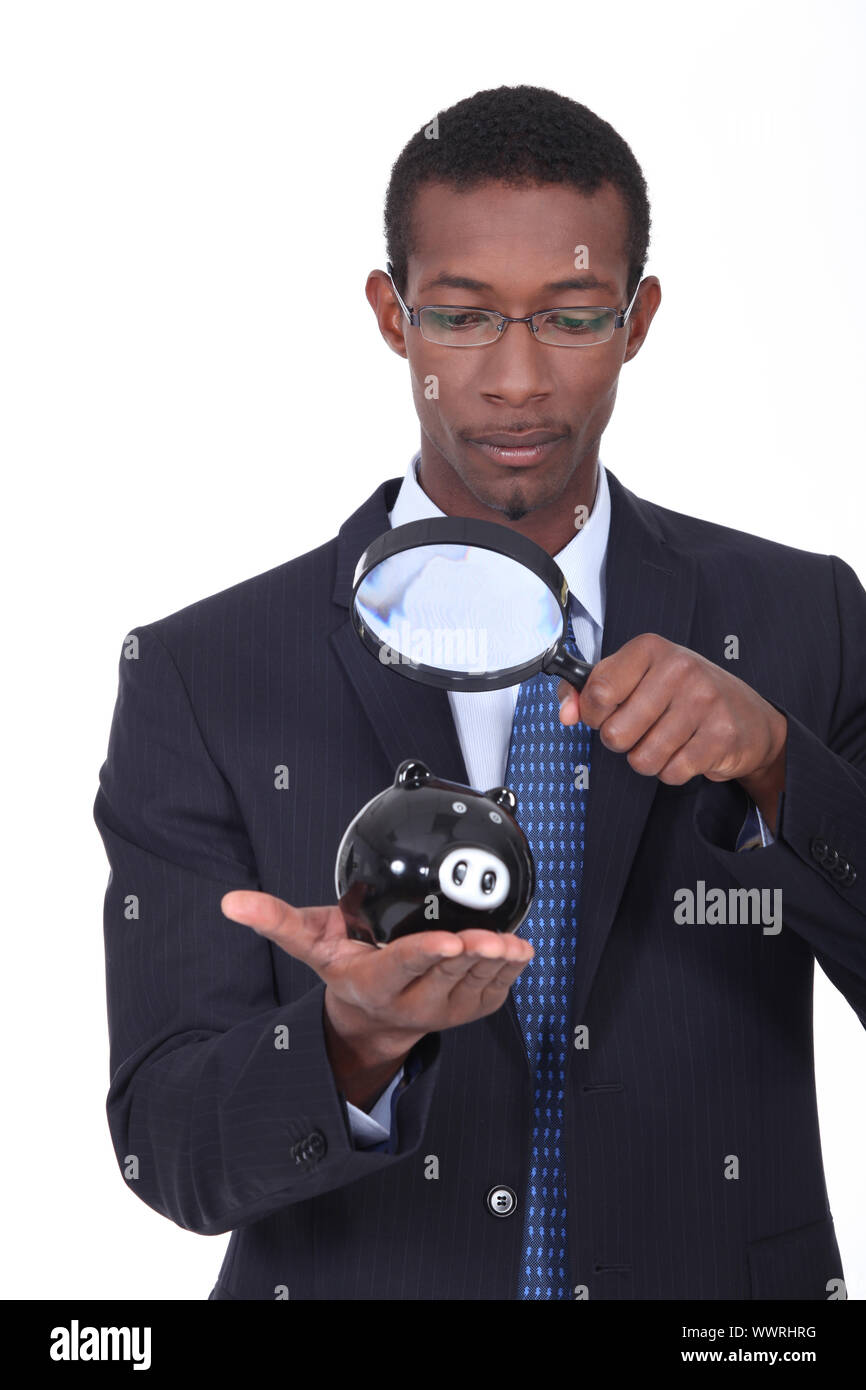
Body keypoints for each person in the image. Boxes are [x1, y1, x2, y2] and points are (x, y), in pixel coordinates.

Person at [93, 84, 866, 1301]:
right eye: (460, 317)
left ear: (638, 317)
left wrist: (779, 769)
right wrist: (354, 1042)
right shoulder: (205, 673)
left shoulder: (800, 619)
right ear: (391, 318)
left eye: (569, 316)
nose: (513, 379)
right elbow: (170, 1149)